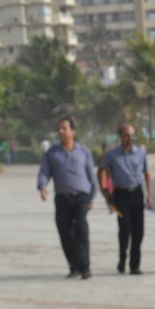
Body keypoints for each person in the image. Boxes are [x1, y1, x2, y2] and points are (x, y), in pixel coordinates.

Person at [38, 116, 97, 278]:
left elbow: (92, 177)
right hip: (62, 198)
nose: (60, 131)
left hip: (81, 197)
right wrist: (42, 186)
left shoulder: (83, 152)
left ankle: (85, 267)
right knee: (65, 232)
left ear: (73, 131)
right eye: (59, 128)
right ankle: (74, 266)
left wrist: (92, 197)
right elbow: (44, 172)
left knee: (81, 229)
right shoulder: (52, 153)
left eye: (64, 128)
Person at [100, 123, 151, 274]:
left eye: (132, 135)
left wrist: (150, 195)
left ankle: (134, 265)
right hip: (120, 195)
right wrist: (104, 191)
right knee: (125, 229)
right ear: (121, 137)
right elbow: (101, 171)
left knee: (138, 231)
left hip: (137, 194)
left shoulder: (140, 153)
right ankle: (122, 258)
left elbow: (147, 174)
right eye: (127, 135)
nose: (130, 138)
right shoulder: (112, 155)